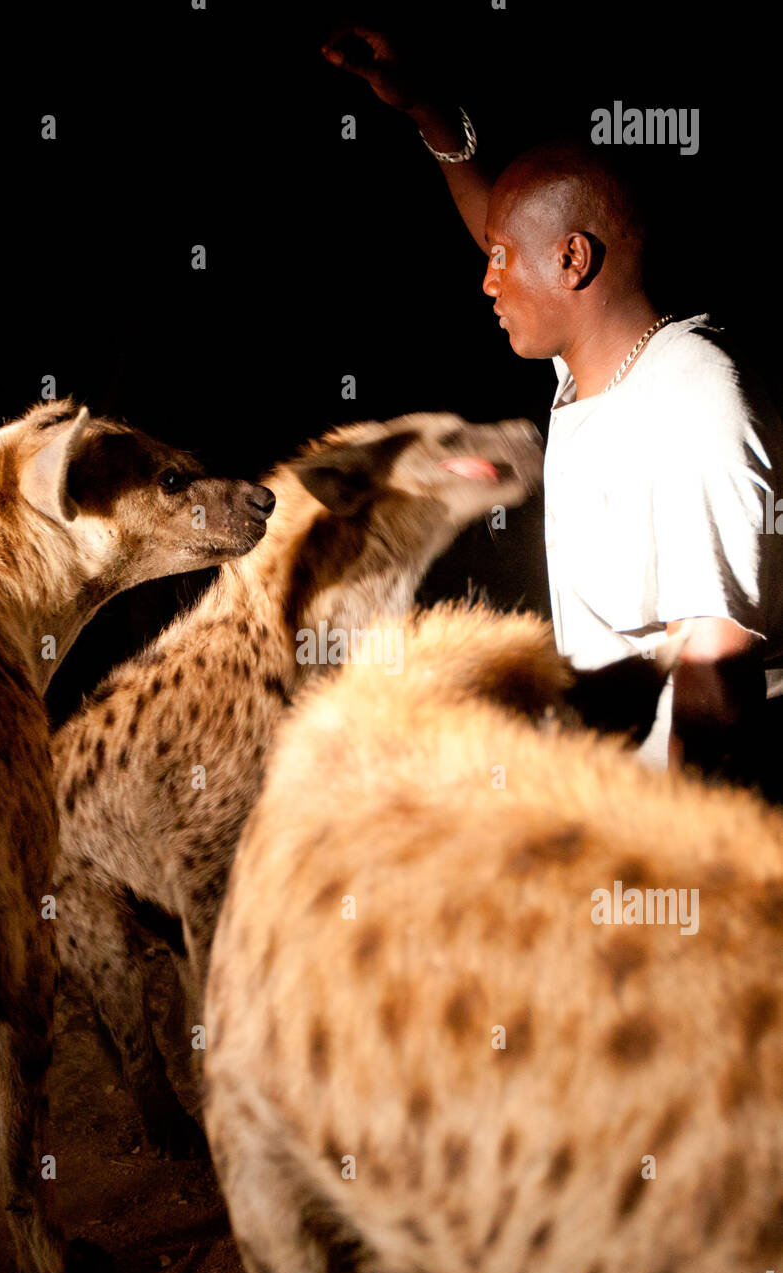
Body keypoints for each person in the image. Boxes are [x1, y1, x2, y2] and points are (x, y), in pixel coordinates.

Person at [323, 27, 783, 791]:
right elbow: (508, 225)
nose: (487, 279)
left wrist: (658, 866)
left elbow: (713, 675)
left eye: (501, 259)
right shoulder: (596, 365)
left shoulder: (694, 401)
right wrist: (426, 112)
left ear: (572, 260)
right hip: (610, 790)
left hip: (694, 813)